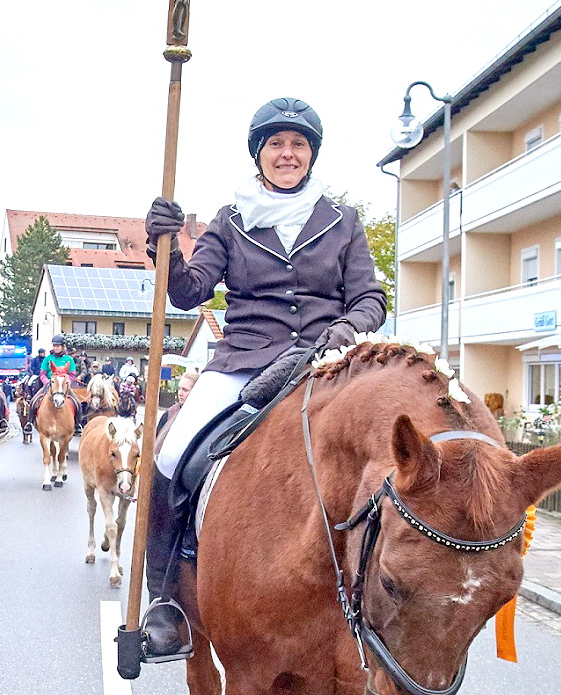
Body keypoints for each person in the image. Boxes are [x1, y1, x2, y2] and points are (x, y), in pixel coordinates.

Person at [137, 98, 386, 659]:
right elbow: (189, 292)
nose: (287, 153)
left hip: (326, 361)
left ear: (312, 155)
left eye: (298, 144)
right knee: (171, 455)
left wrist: (347, 329)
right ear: (259, 155)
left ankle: (390, 587)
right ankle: (166, 602)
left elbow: (370, 297)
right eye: (276, 144)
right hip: (246, 361)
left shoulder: (343, 221)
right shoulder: (231, 219)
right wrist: (167, 247)